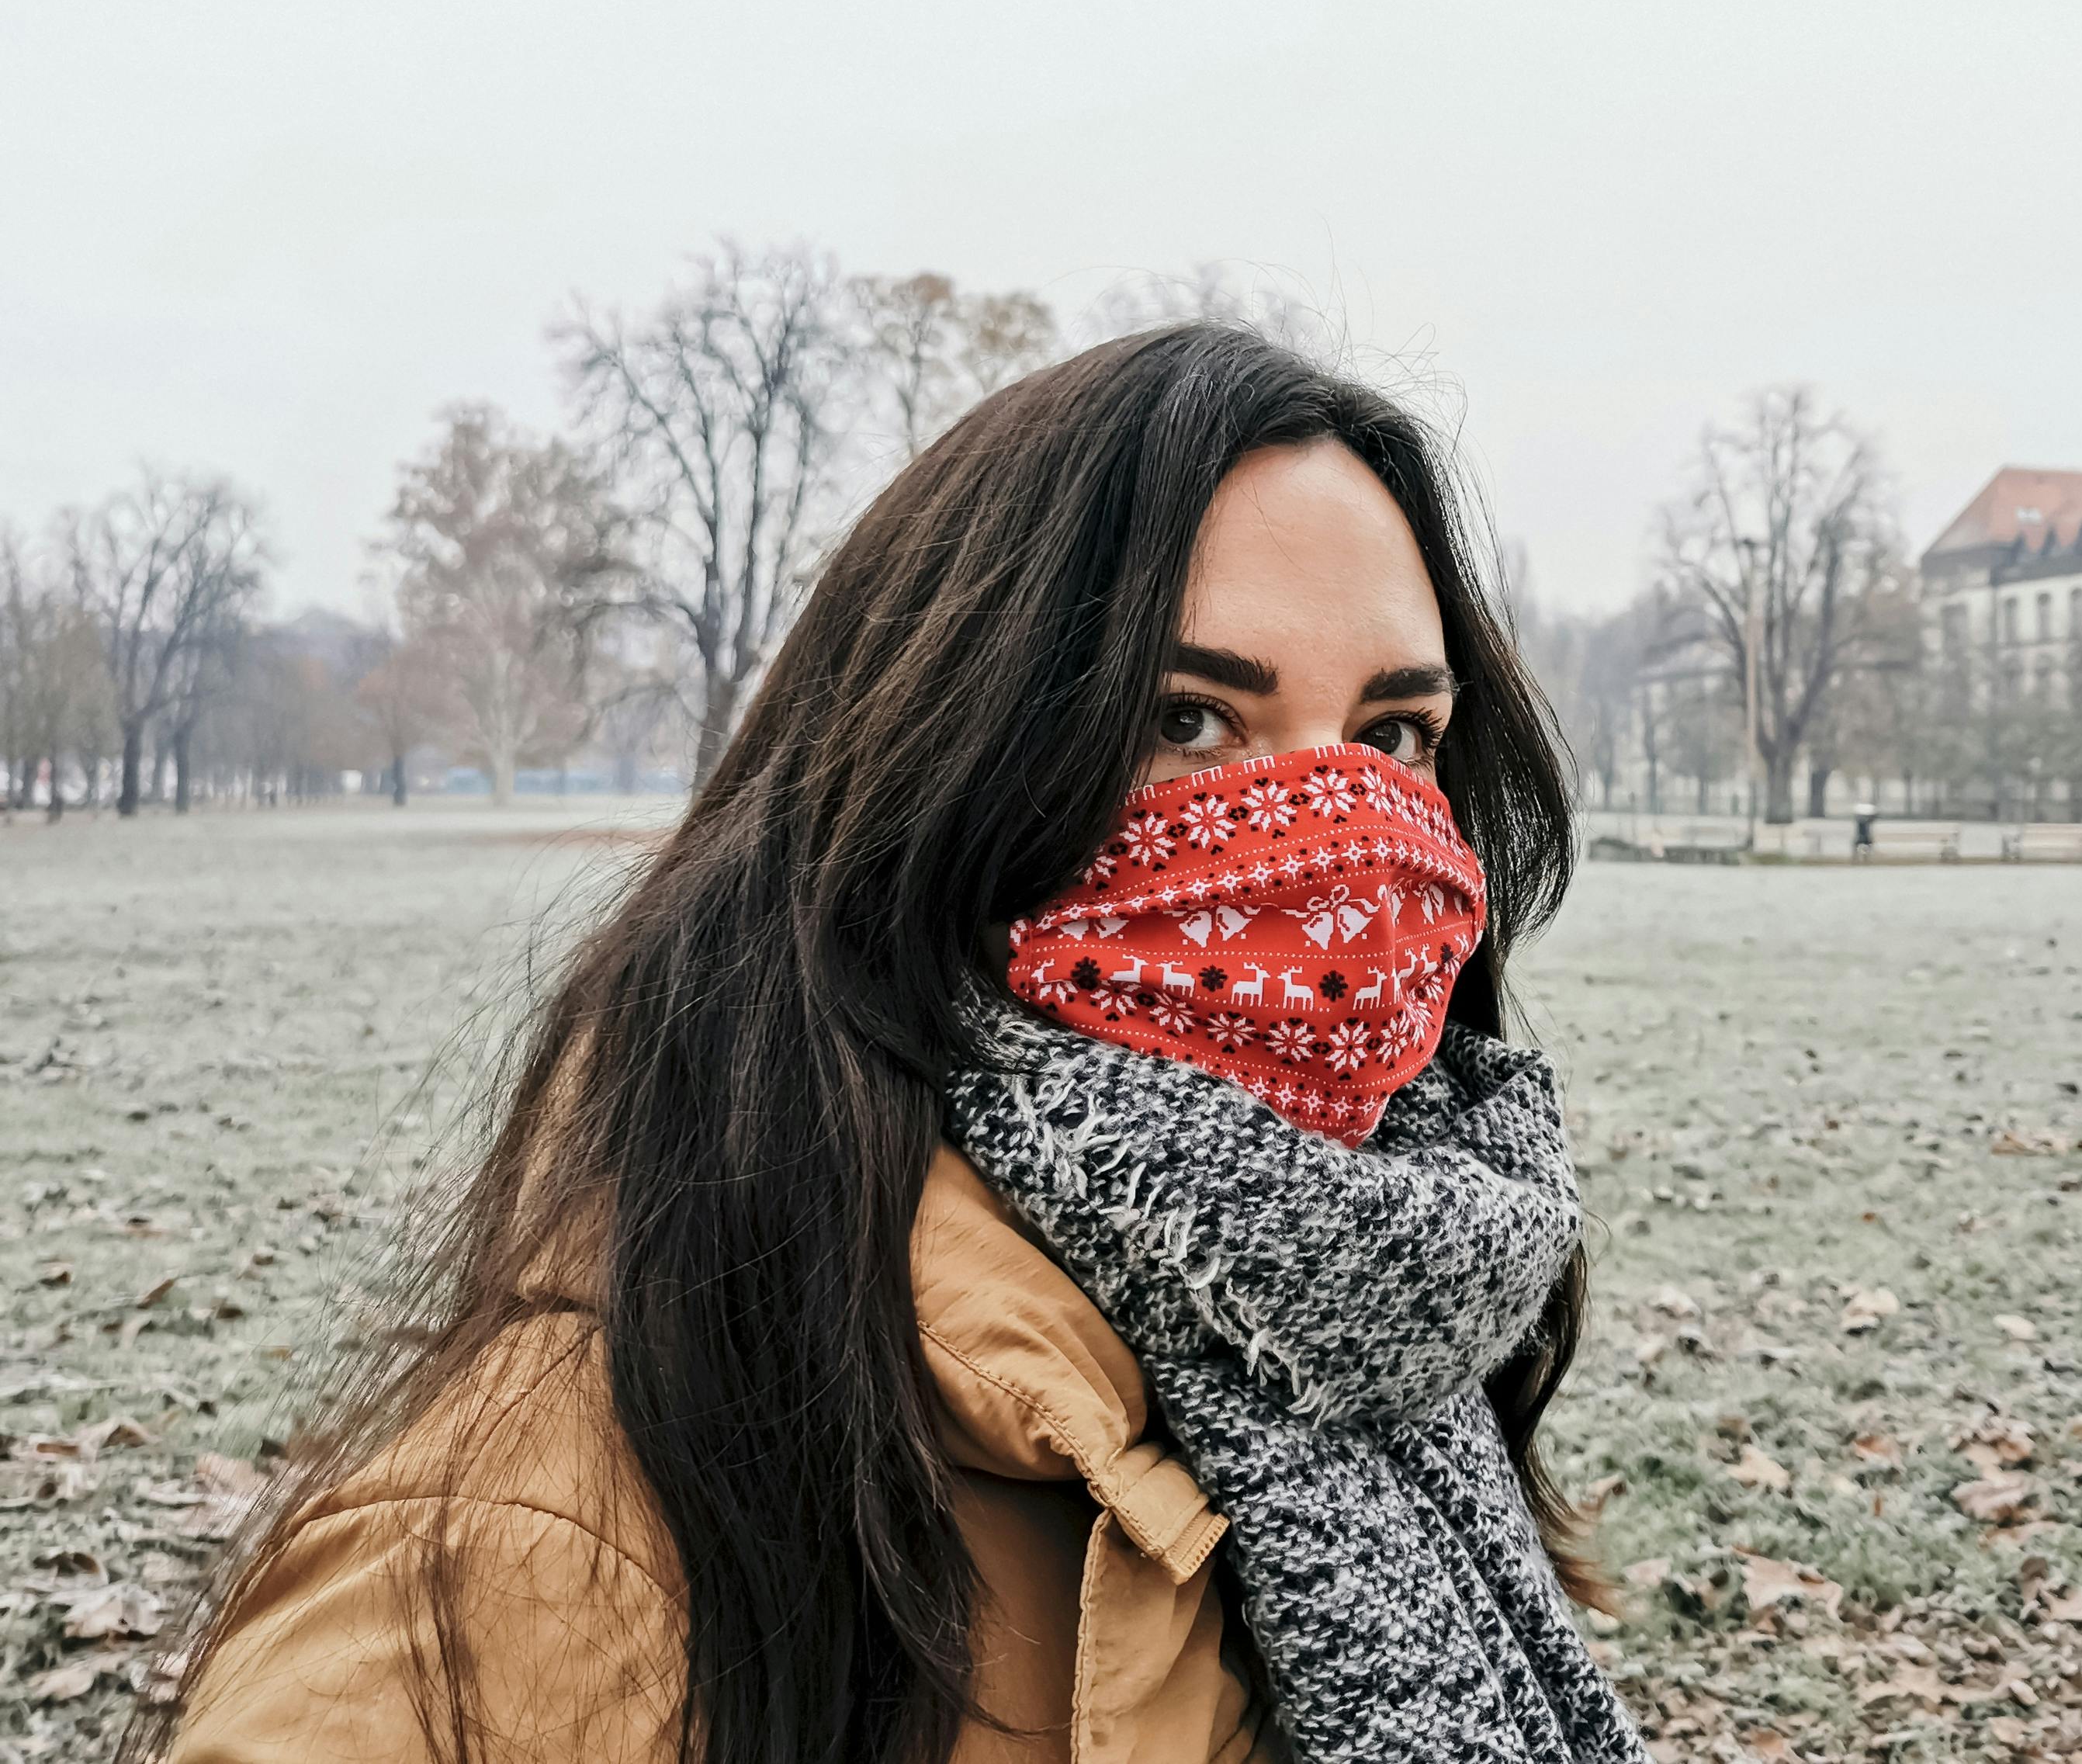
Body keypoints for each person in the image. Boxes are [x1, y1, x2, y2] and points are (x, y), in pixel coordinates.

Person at [141, 328, 1644, 1764]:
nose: (1329, 836)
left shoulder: (1382, 1309)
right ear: (938, 754)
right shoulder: (554, 1541)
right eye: (1185, 716)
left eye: (1391, 737)